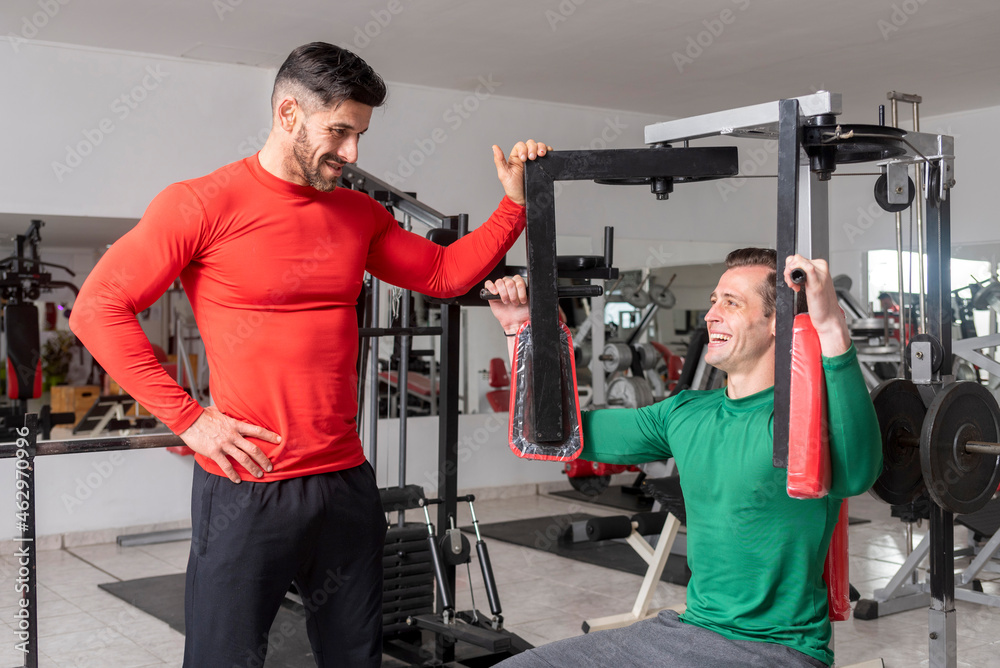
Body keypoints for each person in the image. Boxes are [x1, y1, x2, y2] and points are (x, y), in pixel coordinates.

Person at [69, 42, 551, 668]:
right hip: (248, 486)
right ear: (289, 113)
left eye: (360, 135)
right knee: (223, 659)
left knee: (355, 657)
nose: (352, 153)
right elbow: (97, 309)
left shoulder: (357, 213)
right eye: (340, 131)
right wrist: (190, 419)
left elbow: (443, 274)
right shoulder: (200, 203)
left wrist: (514, 204)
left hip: (345, 482)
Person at [485, 248, 882, 668]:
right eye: (713, 301)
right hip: (688, 630)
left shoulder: (803, 419)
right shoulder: (685, 413)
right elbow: (554, 433)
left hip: (776, 650)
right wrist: (521, 331)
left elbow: (857, 473)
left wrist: (829, 327)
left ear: (776, 323)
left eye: (731, 303)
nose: (711, 315)